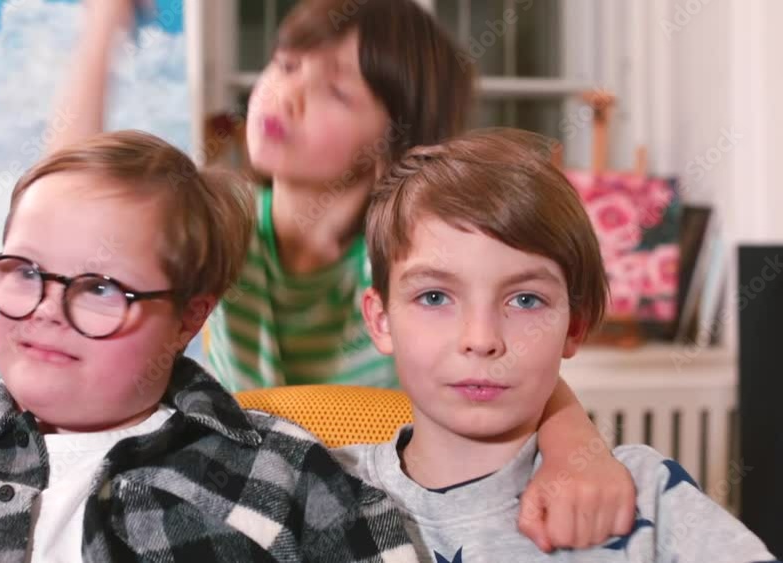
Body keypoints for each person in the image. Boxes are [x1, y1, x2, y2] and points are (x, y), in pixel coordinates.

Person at [50, 0, 639, 551]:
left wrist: (576, 452)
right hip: (248, 513)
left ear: (389, 143)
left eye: (334, 89)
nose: (287, 93)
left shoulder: (407, 259)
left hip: (392, 521)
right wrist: (103, 29)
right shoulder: (223, 226)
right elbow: (76, 200)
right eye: (284, 64)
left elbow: (501, 354)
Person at [0, 131, 419, 562]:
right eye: (25, 272)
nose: (47, 311)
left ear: (187, 319)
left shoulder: (292, 479)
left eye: (101, 288)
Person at [334, 128, 779, 562]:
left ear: (575, 327)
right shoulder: (315, 491)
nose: (481, 340)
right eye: (434, 297)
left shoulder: (646, 496)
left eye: (525, 300)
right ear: (381, 319)